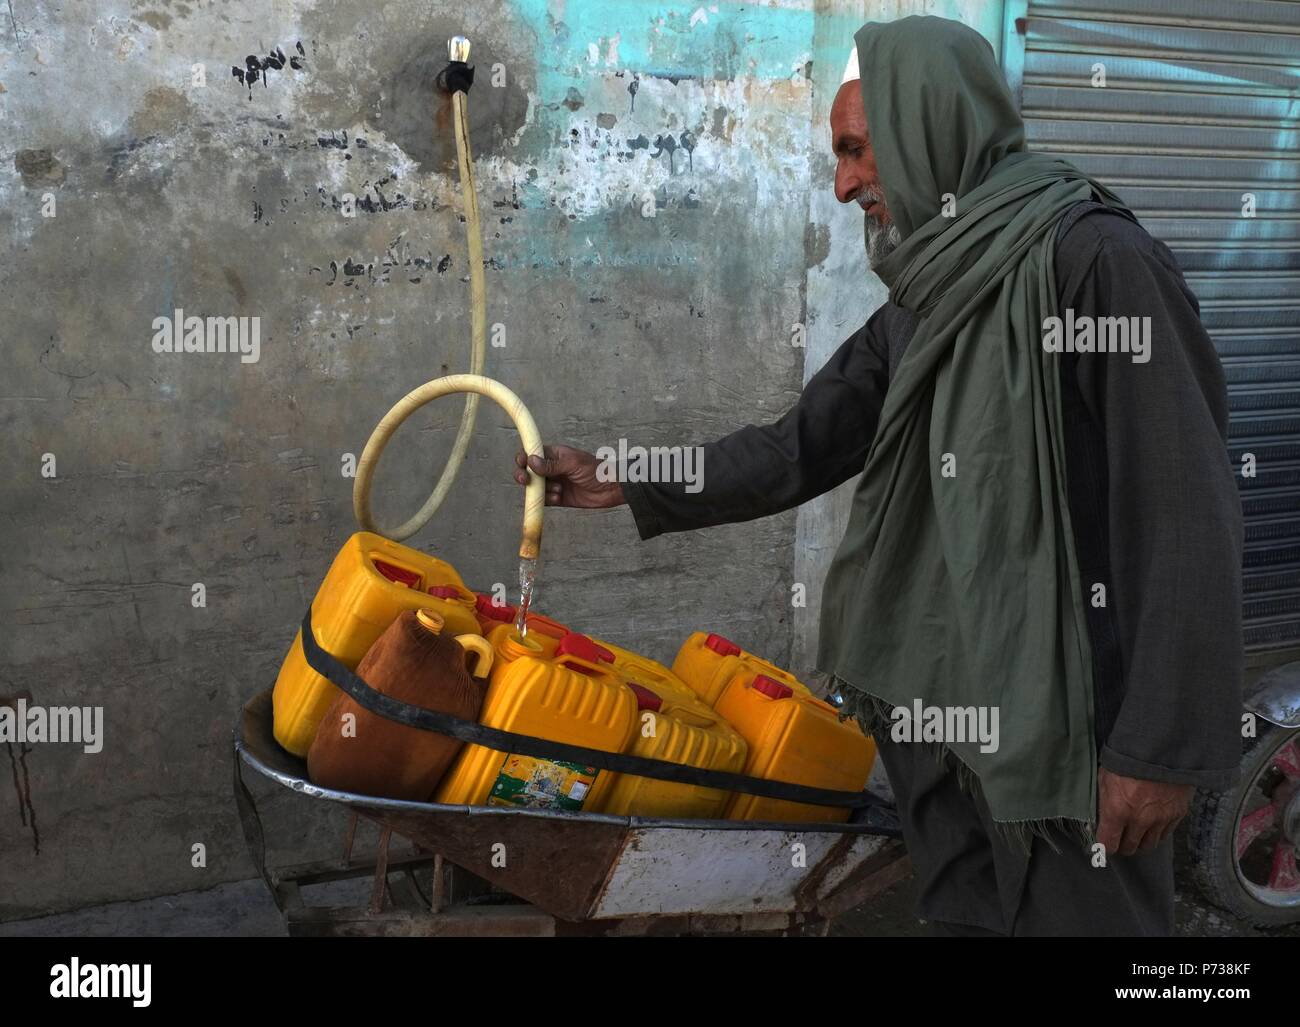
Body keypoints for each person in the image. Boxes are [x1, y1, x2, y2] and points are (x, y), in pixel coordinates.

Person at [514, 16, 1243, 936]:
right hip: (935, 723)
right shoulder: (926, 290)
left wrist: (1160, 749)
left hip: (1070, 744)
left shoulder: (1098, 264)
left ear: (930, 124)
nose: (843, 182)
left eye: (858, 151)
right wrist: (626, 474)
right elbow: (802, 444)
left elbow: (1184, 514)